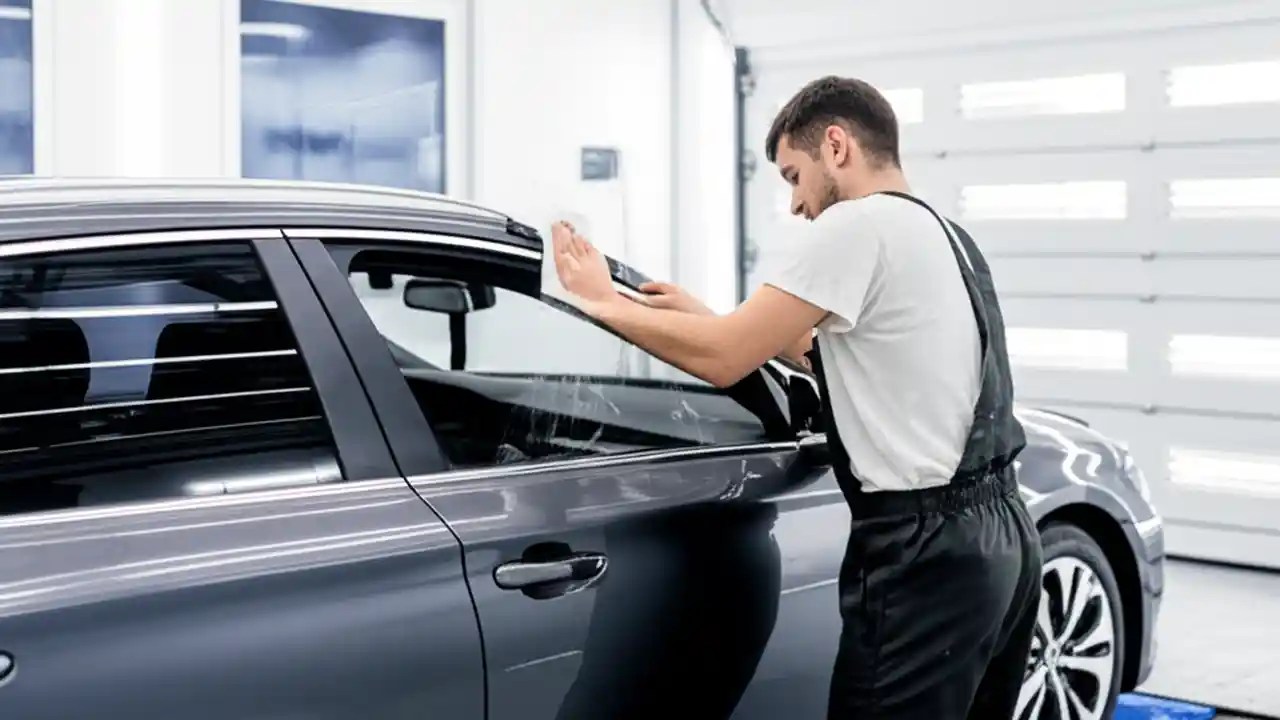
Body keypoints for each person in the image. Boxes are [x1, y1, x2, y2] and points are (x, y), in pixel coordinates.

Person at [548, 75, 1043, 719]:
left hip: (925, 553)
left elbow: (727, 357)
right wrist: (706, 317)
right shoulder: (941, 233)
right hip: (1001, 539)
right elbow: (831, 353)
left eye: (792, 176)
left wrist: (598, 301)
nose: (795, 204)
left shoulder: (855, 226)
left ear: (835, 145)